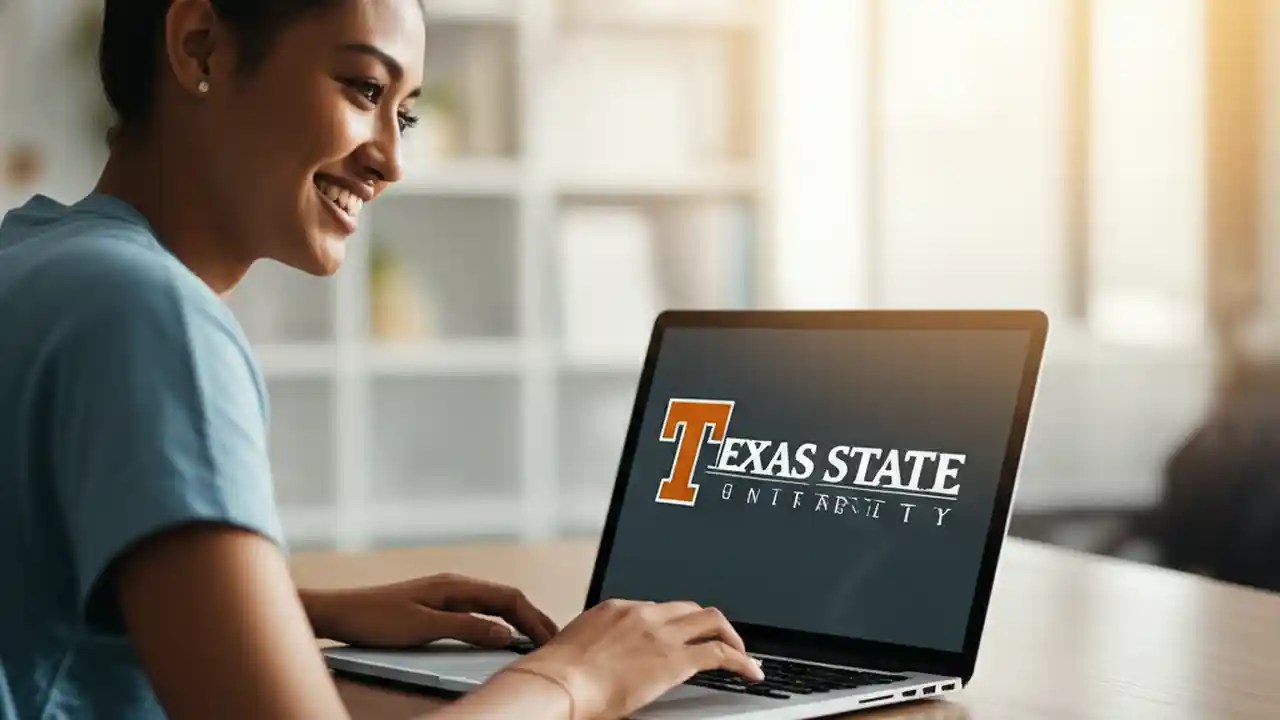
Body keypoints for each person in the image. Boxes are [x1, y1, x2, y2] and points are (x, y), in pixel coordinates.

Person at [0, 1, 764, 718]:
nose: (392, 160)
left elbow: (35, 591)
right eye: (364, 87)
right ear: (200, 45)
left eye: (405, 114)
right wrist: (577, 676)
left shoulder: (34, 259)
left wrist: (295, 609)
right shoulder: (147, 316)